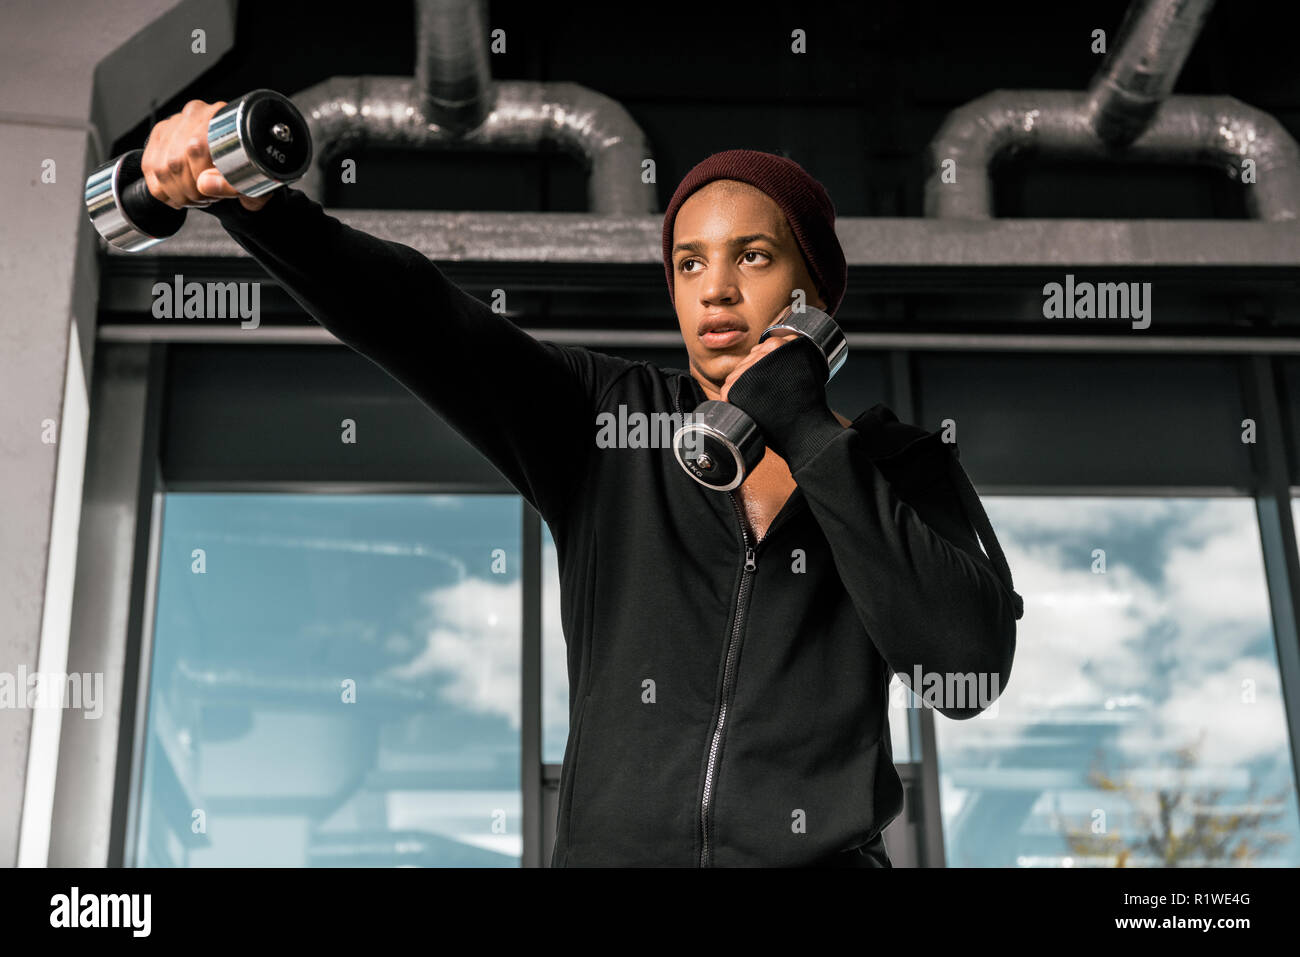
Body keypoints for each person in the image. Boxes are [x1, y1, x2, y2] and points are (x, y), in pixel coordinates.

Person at [140, 101, 1025, 867]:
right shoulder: (607, 422)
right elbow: (420, 317)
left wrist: (805, 431)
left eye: (752, 257)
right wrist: (252, 201)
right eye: (688, 262)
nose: (714, 289)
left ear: (813, 288)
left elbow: (966, 675)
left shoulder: (904, 467)